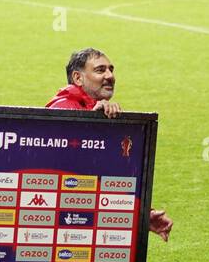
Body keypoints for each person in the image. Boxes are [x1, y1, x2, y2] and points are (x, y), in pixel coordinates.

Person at [46, 48, 173, 241]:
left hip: (80, 229)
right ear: (78, 78)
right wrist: (93, 121)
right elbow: (70, 165)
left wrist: (142, 215)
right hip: (61, 231)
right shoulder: (62, 107)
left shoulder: (96, 111)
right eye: (100, 70)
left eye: (111, 70)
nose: (110, 76)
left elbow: (102, 178)